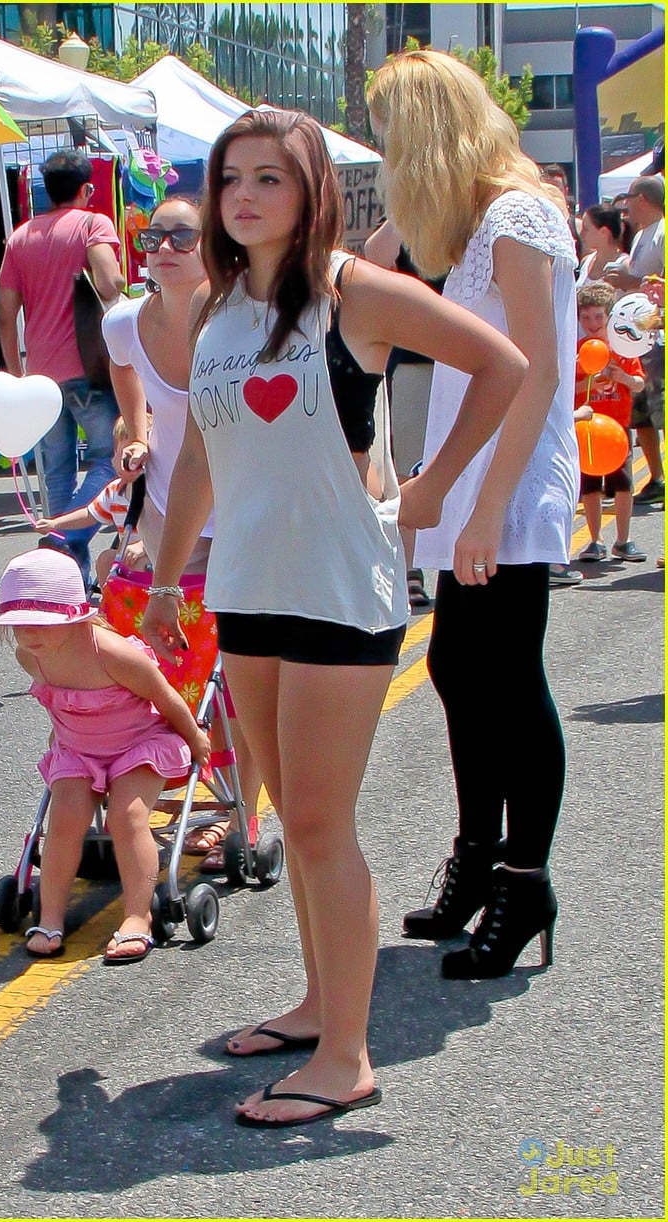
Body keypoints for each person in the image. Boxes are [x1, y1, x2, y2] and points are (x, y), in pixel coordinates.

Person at [140, 107, 526, 1127]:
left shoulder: (351, 293)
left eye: (272, 177)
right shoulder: (215, 312)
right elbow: (194, 461)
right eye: (233, 179)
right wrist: (167, 581)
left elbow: (503, 364)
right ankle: (318, 1006)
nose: (247, 197)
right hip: (247, 595)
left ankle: (348, 1058)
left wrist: (439, 482)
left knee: (317, 822)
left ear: (311, 193)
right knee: (287, 823)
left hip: (338, 592)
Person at [368, 50, 580, 981]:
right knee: (459, 667)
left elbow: (534, 369)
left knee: (504, 676)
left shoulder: (520, 214)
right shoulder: (483, 218)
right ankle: (480, 861)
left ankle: (523, 879)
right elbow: (372, 265)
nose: (384, 158)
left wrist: (488, 505)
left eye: (389, 137)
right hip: (474, 484)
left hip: (511, 483)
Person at [102, 196, 261, 869]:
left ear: (209, 246)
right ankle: (178, 787)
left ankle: (242, 817)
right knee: (180, 655)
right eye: (152, 235)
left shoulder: (232, 320)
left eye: (181, 236)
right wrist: (134, 439)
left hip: (246, 504)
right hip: (173, 503)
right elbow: (126, 389)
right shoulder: (123, 323)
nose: (164, 247)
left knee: (243, 670)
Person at [0, 548, 210, 962]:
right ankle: (50, 915)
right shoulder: (29, 656)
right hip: (80, 749)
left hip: (139, 743)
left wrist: (195, 737)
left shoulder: (110, 653)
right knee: (66, 814)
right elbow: (60, 703)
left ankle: (138, 916)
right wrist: (62, 741)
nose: (28, 634)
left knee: (127, 813)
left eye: (41, 623)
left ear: (75, 615)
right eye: (18, 624)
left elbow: (165, 696)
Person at [0, 151, 126, 590]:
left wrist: (17, 372)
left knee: (57, 473)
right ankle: (60, 541)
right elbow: (111, 283)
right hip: (88, 368)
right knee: (111, 460)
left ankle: (68, 577)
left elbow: (5, 310)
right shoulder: (93, 224)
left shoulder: (19, 238)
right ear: (87, 189)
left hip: (40, 376)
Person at [364, 217, 446, 607]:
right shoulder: (406, 221)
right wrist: (406, 208)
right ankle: (409, 567)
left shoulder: (471, 214)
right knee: (408, 467)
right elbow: (375, 255)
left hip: (465, 360)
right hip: (415, 361)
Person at [574, 284, 645, 563]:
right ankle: (595, 540)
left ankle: (623, 540)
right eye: (586, 318)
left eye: (598, 317)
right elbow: (565, 388)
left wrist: (622, 377)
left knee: (624, 484)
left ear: (609, 317)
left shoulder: (623, 347)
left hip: (618, 427)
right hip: (589, 426)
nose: (592, 324)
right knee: (591, 487)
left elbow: (638, 383)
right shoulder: (578, 352)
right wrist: (584, 382)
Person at [605, 176, 665, 504]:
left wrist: (633, 280)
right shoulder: (642, 235)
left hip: (659, 335)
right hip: (638, 339)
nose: (625, 206)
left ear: (641, 199)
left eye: (629, 199)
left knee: (661, 409)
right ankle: (657, 477)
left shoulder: (663, 232)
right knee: (641, 414)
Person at [33, 417, 145, 588]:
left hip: (157, 553)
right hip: (126, 554)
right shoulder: (115, 490)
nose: (129, 464)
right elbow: (89, 514)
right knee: (105, 559)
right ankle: (111, 605)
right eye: (122, 457)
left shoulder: (157, 491)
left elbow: (172, 528)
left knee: (141, 564)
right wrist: (55, 523)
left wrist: (143, 546)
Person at [575, 204, 631, 294]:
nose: (581, 234)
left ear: (603, 232)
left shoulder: (624, 265)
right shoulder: (586, 261)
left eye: (586, 229)